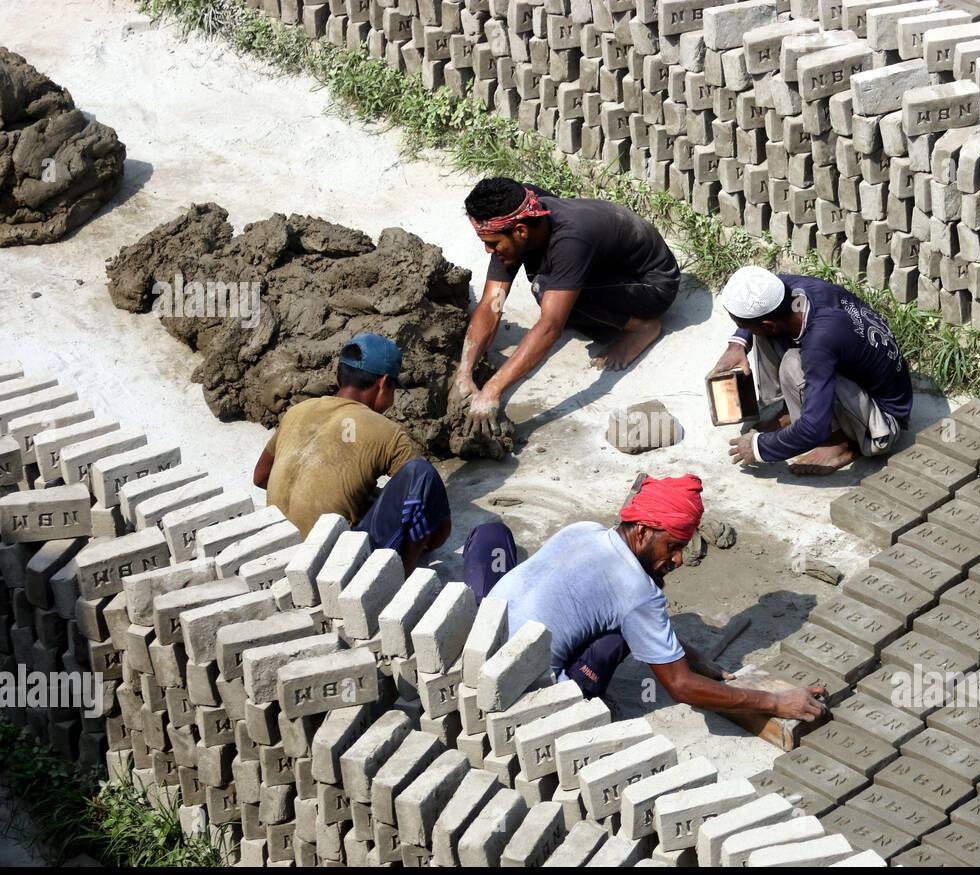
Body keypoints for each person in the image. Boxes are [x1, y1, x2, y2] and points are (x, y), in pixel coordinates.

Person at [460, 474, 826, 721]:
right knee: (616, 638)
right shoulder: (637, 591)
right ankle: (577, 699)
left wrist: (690, 656)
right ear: (642, 532)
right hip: (525, 695)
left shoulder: (585, 529)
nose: (679, 559)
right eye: (673, 545)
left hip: (477, 647)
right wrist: (776, 702)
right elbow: (680, 686)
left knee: (492, 534)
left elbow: (601, 600)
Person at [451, 177, 681, 442]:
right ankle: (588, 304)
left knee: (546, 290)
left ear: (521, 232)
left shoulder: (570, 241)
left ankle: (641, 328)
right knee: (549, 287)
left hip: (652, 283)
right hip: (605, 266)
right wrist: (464, 371)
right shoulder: (522, 212)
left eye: (492, 244)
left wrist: (492, 390)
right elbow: (493, 304)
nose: (487, 250)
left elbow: (550, 327)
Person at [253, 333, 452, 576]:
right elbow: (438, 526)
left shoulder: (298, 411)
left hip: (278, 546)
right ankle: (400, 575)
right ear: (384, 383)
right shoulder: (386, 432)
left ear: (339, 376)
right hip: (331, 562)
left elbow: (260, 477)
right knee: (423, 474)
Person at [710, 267, 913, 476]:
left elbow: (814, 428)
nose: (744, 330)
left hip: (882, 422)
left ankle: (840, 443)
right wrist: (738, 343)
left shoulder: (820, 342)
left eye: (743, 326)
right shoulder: (795, 290)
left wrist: (758, 447)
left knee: (792, 363)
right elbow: (764, 299)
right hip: (857, 379)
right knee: (761, 335)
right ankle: (791, 409)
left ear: (769, 324)